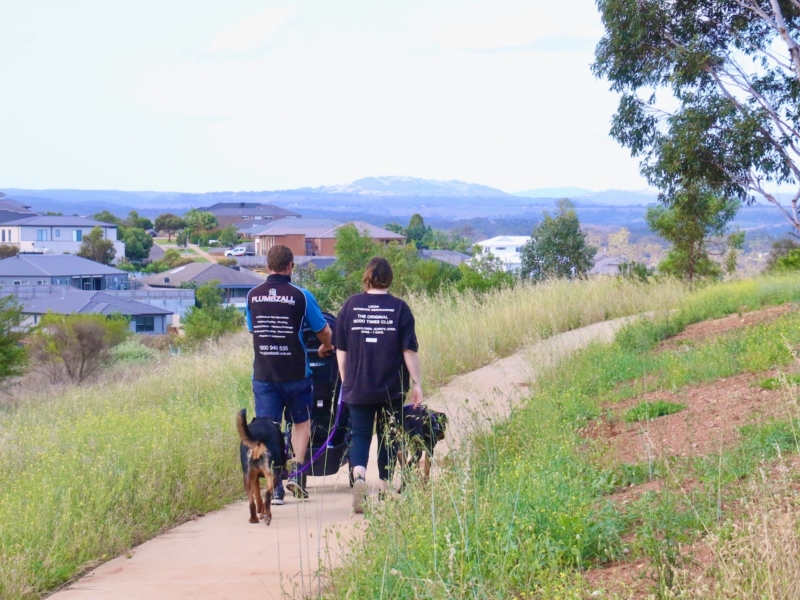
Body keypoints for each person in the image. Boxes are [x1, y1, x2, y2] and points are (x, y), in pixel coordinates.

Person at [334, 257, 423, 513]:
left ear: (367, 276)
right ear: (389, 278)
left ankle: (359, 476)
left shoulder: (351, 305)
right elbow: (409, 350)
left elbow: (341, 349)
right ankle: (383, 487)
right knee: (388, 435)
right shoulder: (399, 308)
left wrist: (345, 380)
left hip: (357, 385)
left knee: (361, 434)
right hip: (391, 387)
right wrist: (417, 383)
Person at [246, 244, 334, 502]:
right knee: (301, 422)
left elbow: (254, 330)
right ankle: (296, 472)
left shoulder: (253, 295)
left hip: (264, 373)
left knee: (269, 429)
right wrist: (326, 346)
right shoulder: (301, 295)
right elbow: (324, 330)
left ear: (267, 266)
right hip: (296, 371)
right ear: (290, 267)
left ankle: (275, 489)